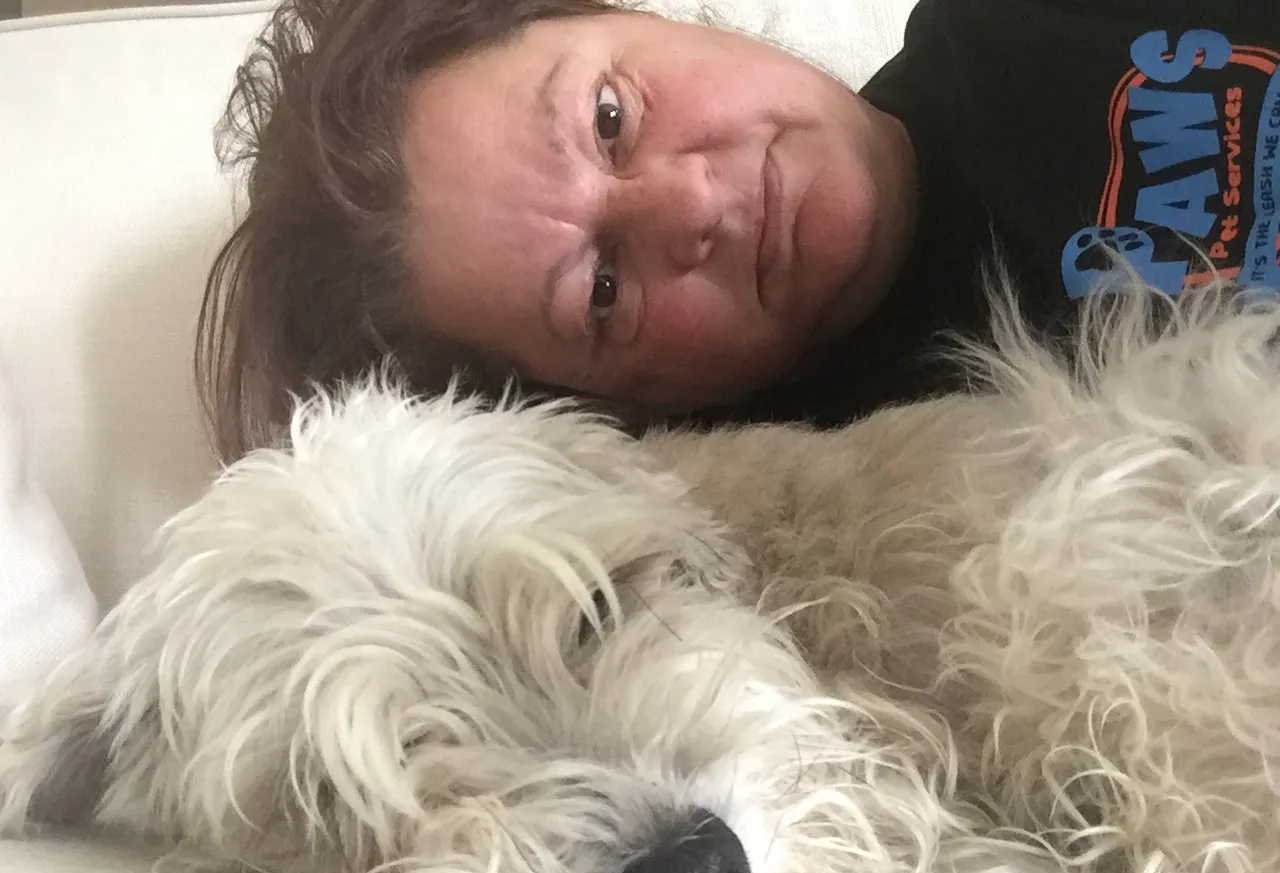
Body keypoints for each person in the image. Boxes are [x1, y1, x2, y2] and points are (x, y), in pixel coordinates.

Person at [196, 0, 1280, 461]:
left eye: (609, 118)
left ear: (628, 14)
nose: (694, 207)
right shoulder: (864, 525)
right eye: (600, 294)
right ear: (614, 406)